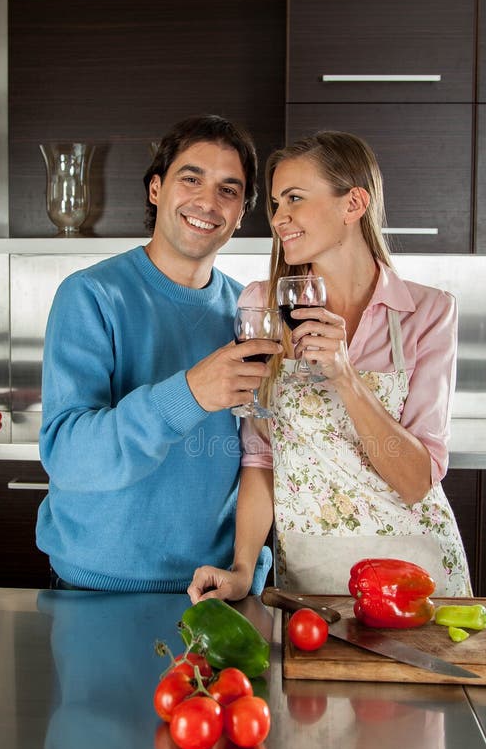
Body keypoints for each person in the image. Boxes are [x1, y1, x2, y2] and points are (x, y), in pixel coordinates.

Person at [188, 130, 471, 601]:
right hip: (312, 572)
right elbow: (260, 457)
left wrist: (344, 375)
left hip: (415, 570)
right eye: (276, 203)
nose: (280, 218)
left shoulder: (428, 312)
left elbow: (418, 480)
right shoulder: (261, 304)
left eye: (295, 199)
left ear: (353, 203)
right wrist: (241, 568)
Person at [37, 114, 281, 592]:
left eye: (229, 190)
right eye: (191, 179)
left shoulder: (250, 311)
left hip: (211, 588)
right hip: (98, 587)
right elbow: (68, 455)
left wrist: (246, 568)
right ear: (156, 189)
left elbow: (261, 455)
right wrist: (188, 394)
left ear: (240, 213)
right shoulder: (90, 296)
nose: (208, 202)